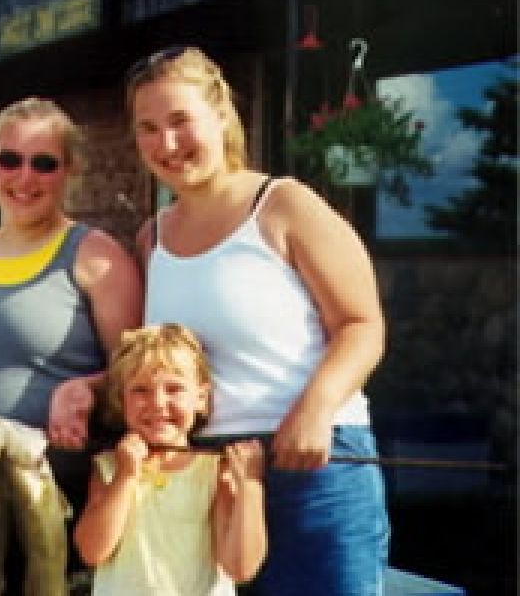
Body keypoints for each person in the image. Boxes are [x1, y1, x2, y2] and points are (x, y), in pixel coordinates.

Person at [53, 45, 391, 594]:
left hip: (314, 466)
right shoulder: (151, 238)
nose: (167, 144)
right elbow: (158, 360)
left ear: (221, 114)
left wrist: (315, 410)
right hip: (203, 475)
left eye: (181, 121)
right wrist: (86, 388)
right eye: (148, 128)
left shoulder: (285, 205)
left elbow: (362, 325)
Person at [0, 96, 143, 590]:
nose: (25, 177)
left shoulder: (97, 258)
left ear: (70, 171)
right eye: (9, 159)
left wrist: (86, 389)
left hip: (54, 507)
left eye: (44, 163)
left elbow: (137, 379)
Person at [74, 323, 266, 595]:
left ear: (200, 398)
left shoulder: (216, 470)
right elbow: (92, 551)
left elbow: (241, 568)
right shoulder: (109, 467)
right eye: (141, 390)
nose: (157, 402)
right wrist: (125, 476)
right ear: (121, 400)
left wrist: (250, 487)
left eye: (174, 389)